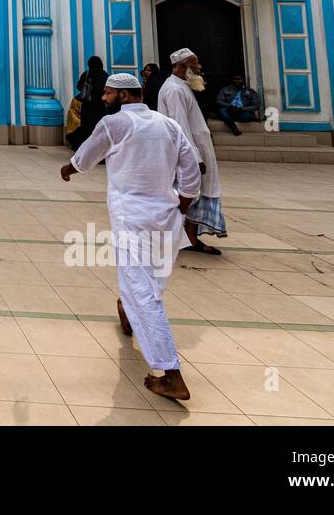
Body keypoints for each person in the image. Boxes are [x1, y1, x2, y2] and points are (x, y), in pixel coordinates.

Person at [59, 72, 201, 402]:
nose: (103, 98)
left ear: (124, 96)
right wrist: (183, 200)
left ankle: (170, 373)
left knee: (144, 291)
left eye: (108, 93)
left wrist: (70, 168)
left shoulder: (115, 124)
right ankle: (126, 308)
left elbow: (86, 156)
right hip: (166, 217)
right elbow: (191, 168)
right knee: (148, 281)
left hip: (132, 218)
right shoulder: (168, 125)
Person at [156, 48, 227, 254]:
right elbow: (179, 125)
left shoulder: (181, 87)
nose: (199, 67)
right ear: (182, 66)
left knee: (193, 194)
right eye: (194, 63)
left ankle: (189, 237)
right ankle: (181, 238)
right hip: (188, 152)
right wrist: (194, 158)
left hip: (195, 149)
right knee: (188, 195)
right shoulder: (174, 90)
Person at [67, 56, 108, 150]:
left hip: (87, 105)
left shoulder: (87, 74)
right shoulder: (105, 75)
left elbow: (79, 86)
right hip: (100, 106)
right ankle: (94, 148)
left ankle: (79, 145)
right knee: (96, 127)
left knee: (85, 126)